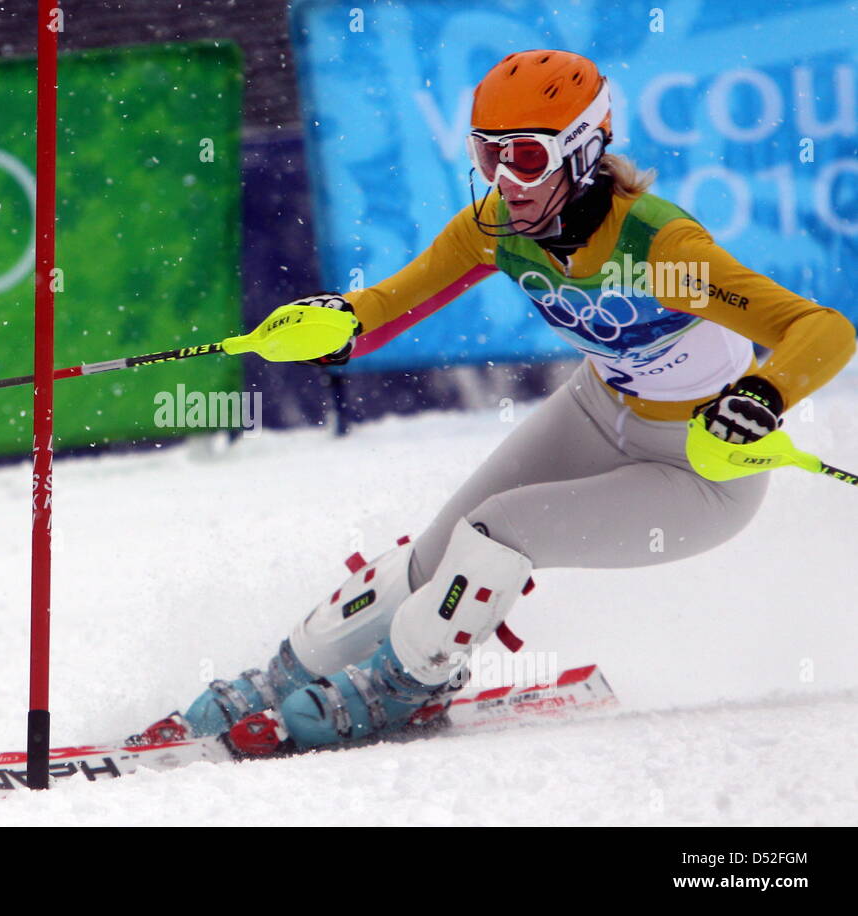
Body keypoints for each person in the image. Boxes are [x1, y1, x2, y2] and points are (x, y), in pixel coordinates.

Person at [135, 49, 856, 755]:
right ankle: (283, 675)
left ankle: (409, 685)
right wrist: (339, 324)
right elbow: (389, 303)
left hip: (699, 470)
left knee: (498, 529)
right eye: (488, 156)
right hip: (597, 411)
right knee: (436, 553)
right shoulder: (496, 229)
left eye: (528, 159)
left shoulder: (660, 246)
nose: (506, 181)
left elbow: (822, 327)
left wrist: (764, 393)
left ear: (581, 152)